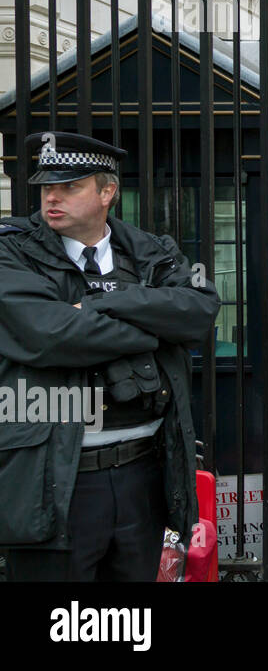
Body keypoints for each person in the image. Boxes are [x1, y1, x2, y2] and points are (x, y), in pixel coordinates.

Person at [0, 132, 221, 580]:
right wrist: (155, 330)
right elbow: (52, 333)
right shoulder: (11, 251)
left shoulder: (150, 252)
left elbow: (198, 313)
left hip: (143, 474)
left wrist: (102, 301)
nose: (52, 197)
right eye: (46, 187)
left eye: (70, 186)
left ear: (107, 192)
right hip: (55, 478)